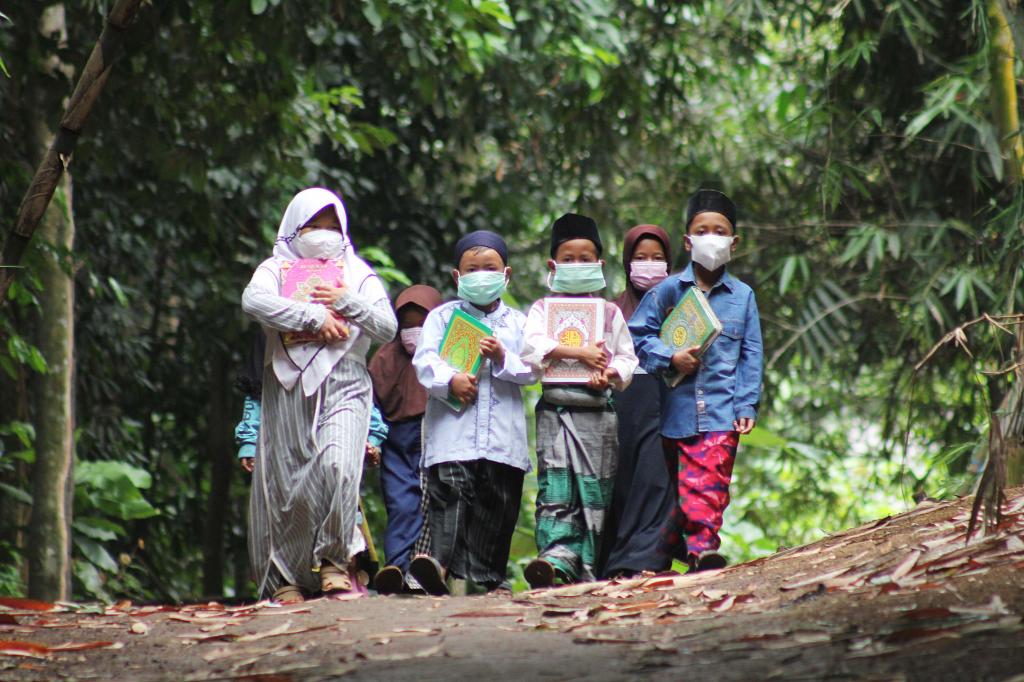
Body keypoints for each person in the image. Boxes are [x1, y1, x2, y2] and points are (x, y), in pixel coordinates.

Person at [240, 187, 397, 602]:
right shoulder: (275, 269)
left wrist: (347, 302)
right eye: (313, 225)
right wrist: (312, 316)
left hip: (345, 384)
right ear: (293, 228)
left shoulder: (357, 273)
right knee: (286, 488)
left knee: (339, 466)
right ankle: (286, 580)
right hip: (286, 389)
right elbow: (253, 301)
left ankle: (333, 559)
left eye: (332, 226)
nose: (324, 234)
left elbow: (387, 327)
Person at [628, 189, 763, 572]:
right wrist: (670, 357)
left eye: (720, 231)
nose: (711, 238)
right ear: (688, 241)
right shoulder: (667, 291)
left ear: (734, 242)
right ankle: (668, 551)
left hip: (723, 412)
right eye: (702, 231)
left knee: (709, 485)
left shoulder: (743, 297)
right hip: (677, 412)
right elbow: (638, 336)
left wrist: (747, 403)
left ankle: (703, 553)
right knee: (686, 489)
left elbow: (751, 353)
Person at [409, 231, 538, 595]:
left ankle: (489, 579)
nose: (481, 274)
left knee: (496, 506)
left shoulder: (519, 323)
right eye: (472, 268)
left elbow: (533, 369)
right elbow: (424, 361)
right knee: (449, 495)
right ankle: (439, 565)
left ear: (506, 274)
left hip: (502, 442)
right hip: (452, 436)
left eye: (490, 267)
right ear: (457, 276)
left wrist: (502, 357)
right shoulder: (441, 317)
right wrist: (450, 381)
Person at [520, 213, 638, 587]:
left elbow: (627, 358)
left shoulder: (609, 313)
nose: (576, 265)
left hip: (597, 414)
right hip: (556, 411)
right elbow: (530, 347)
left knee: (593, 492)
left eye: (584, 259)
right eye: (568, 259)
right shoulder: (542, 310)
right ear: (552, 265)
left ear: (599, 264)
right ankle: (555, 561)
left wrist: (610, 373)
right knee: (556, 489)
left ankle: (583, 568)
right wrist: (579, 352)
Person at [600, 224, 676, 578]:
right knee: (620, 482)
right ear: (627, 262)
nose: (649, 265)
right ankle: (611, 565)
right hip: (621, 402)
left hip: (665, 400)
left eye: (657, 258)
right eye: (641, 257)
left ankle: (643, 562)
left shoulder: (681, 309)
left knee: (656, 480)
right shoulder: (611, 311)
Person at [367, 284, 444, 595]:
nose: (413, 332)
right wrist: (372, 439)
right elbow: (370, 402)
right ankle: (396, 567)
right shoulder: (384, 358)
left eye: (421, 324)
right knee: (401, 503)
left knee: (433, 502)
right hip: (395, 440)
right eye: (407, 325)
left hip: (436, 434)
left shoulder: (447, 354)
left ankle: (426, 571)